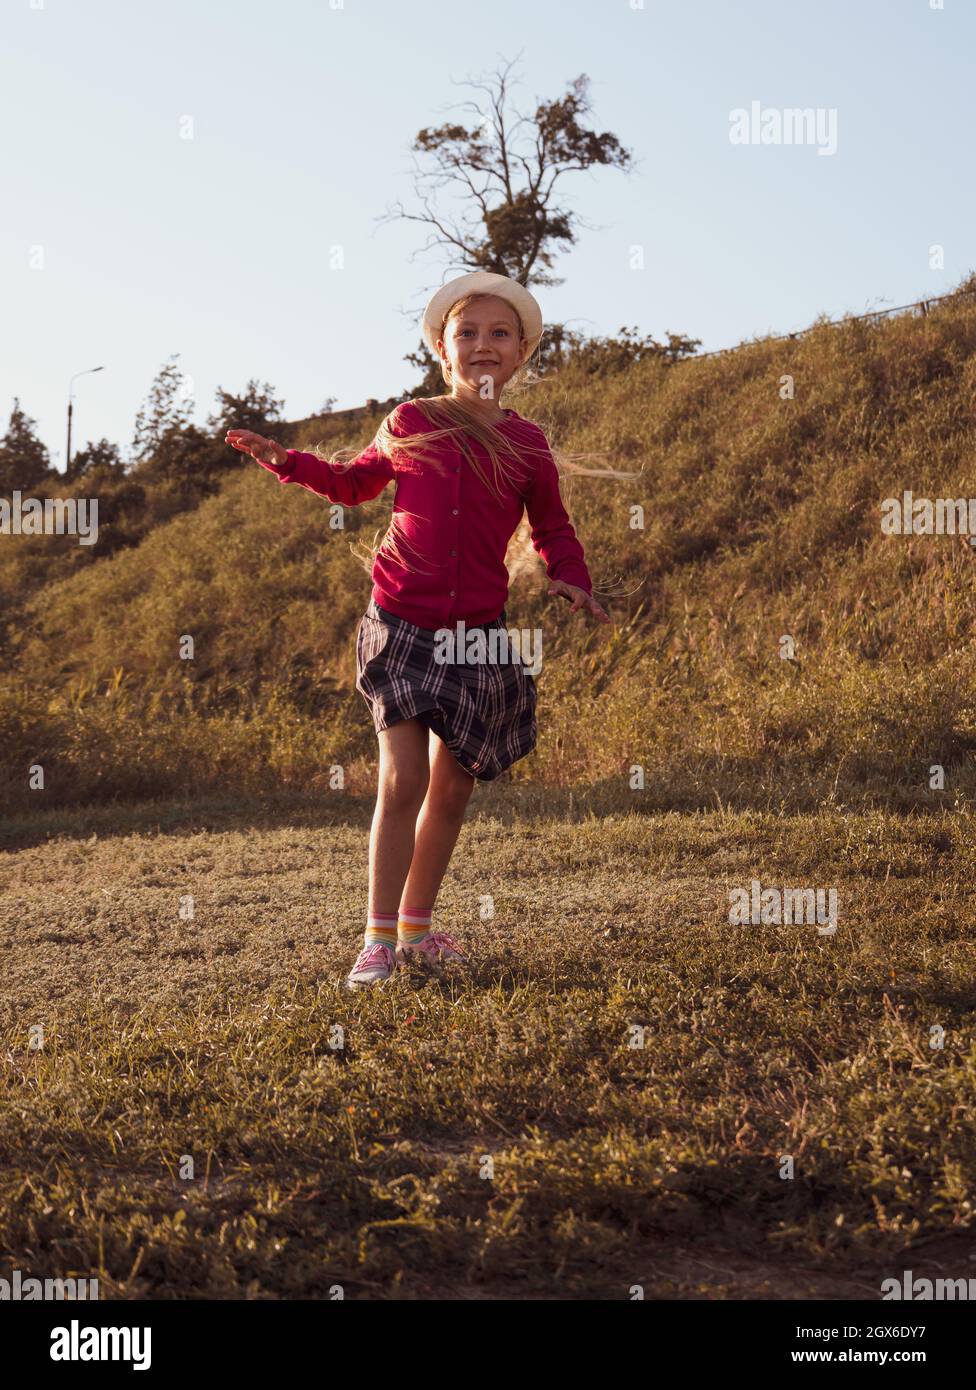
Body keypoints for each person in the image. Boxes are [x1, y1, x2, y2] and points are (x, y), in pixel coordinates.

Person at [226, 270, 609, 990]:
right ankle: (375, 940)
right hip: (401, 621)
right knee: (402, 779)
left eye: (499, 333)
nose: (483, 344)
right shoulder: (412, 420)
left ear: (521, 352)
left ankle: (418, 930)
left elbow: (553, 527)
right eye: (467, 333)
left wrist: (571, 578)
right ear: (443, 348)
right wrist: (289, 463)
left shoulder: (528, 443)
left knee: (454, 788)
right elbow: (352, 482)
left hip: (478, 636)